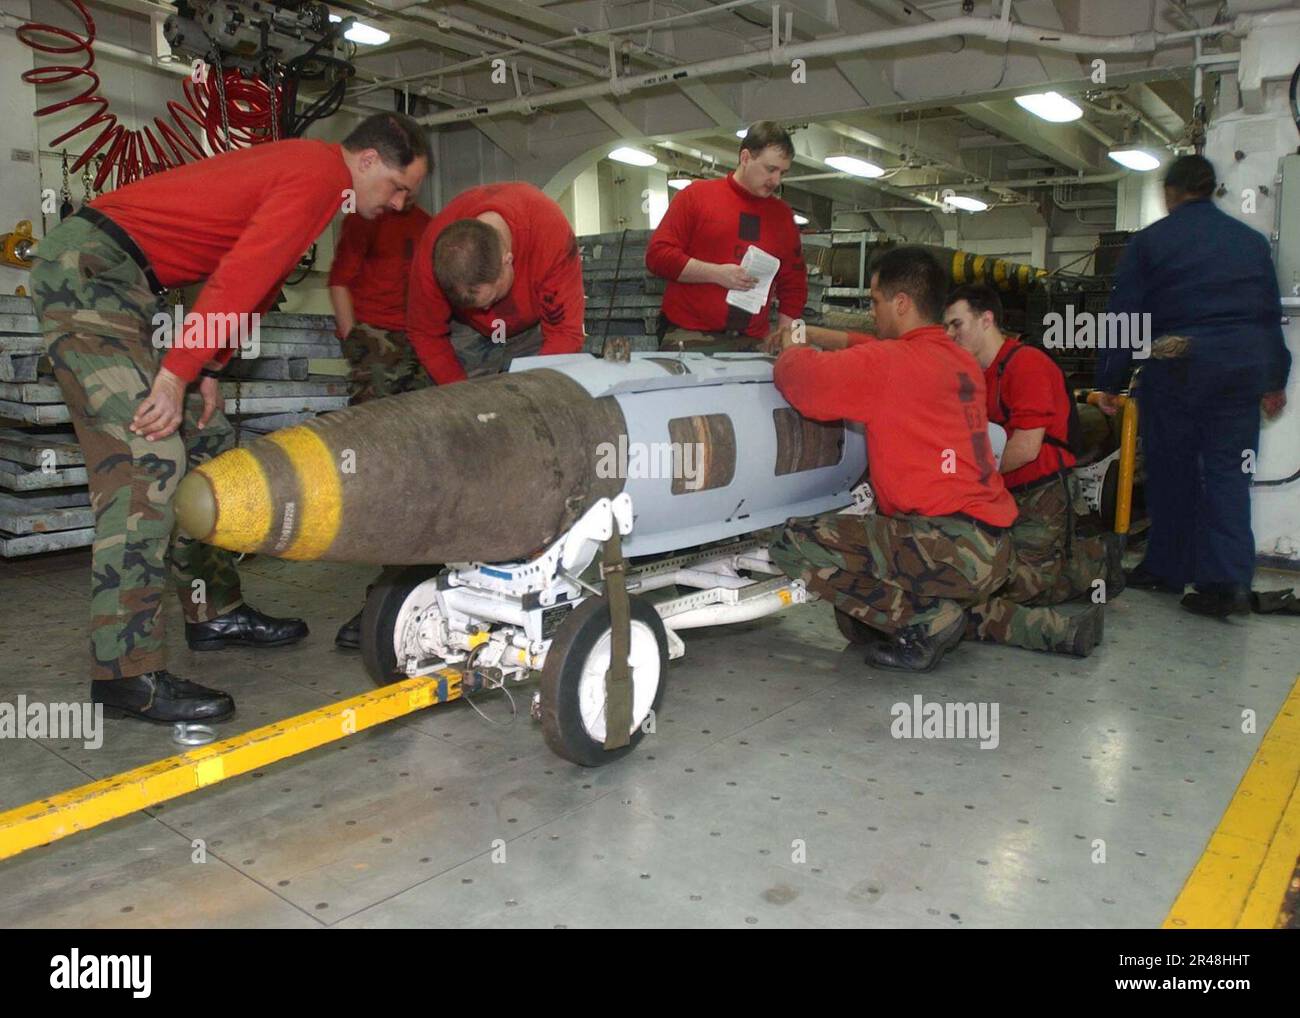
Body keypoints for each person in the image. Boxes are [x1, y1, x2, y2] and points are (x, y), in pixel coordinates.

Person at [28, 112, 430, 723]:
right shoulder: (319, 174)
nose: (399, 203)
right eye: (399, 187)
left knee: (205, 440)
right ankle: (124, 674)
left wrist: (208, 368)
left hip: (126, 287)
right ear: (367, 160)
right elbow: (244, 274)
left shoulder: (318, 186)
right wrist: (173, 374)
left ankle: (211, 610)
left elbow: (254, 276)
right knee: (149, 457)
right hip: (88, 274)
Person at [769, 247, 1106, 672]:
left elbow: (807, 385)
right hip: (991, 544)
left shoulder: (891, 363)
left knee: (791, 541)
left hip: (945, 542)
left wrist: (791, 348)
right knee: (890, 613)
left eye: (874, 302)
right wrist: (819, 335)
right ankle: (1053, 629)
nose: (872, 312)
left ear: (901, 303)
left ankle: (925, 621)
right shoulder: (959, 360)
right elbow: (876, 351)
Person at [1096, 154, 1290, 616]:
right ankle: (1227, 584)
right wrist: (1274, 378)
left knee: (1171, 471)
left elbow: (1126, 315)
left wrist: (1110, 380)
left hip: (1178, 371)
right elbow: (1268, 316)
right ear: (1211, 189)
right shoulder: (1250, 243)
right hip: (1239, 374)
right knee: (1228, 474)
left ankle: (1167, 568)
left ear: (1171, 192)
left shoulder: (1150, 243)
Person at [943, 284, 1123, 617]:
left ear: (986, 319)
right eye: (947, 327)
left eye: (957, 324)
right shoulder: (975, 376)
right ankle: (1075, 558)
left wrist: (972, 479)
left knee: (1012, 593)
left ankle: (1093, 564)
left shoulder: (1026, 365)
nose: (950, 334)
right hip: (1003, 493)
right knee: (974, 576)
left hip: (1041, 494)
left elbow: (1026, 448)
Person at [645, 121, 806, 351]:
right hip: (690, 337)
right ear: (745, 158)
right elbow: (657, 256)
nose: (776, 181)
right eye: (770, 169)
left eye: (783, 172)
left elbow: (795, 284)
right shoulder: (696, 197)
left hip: (752, 342)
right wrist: (716, 273)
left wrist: (787, 337)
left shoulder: (782, 217)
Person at [404, 182, 586, 385]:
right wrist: (459, 392)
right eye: (474, 306)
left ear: (507, 260)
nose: (486, 310)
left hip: (531, 330)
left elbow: (564, 332)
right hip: (467, 330)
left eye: (492, 299)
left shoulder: (548, 233)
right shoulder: (431, 256)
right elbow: (426, 333)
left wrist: (536, 391)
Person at [329, 201, 432, 403]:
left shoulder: (426, 224)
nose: (402, 197)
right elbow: (338, 282)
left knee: (420, 410)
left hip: (416, 335)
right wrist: (354, 338)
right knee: (372, 414)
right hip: (374, 333)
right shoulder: (365, 218)